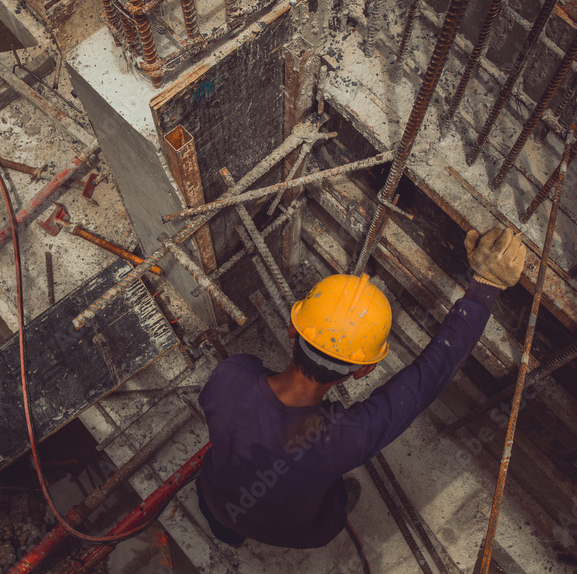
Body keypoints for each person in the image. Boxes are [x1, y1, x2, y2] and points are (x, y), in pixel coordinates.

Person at [195, 227, 527, 549]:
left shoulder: (231, 376)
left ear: (293, 328)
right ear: (364, 370)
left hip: (217, 502)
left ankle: (230, 537)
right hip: (294, 531)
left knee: (224, 517)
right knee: (336, 497)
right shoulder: (345, 440)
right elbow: (427, 378)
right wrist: (484, 288)